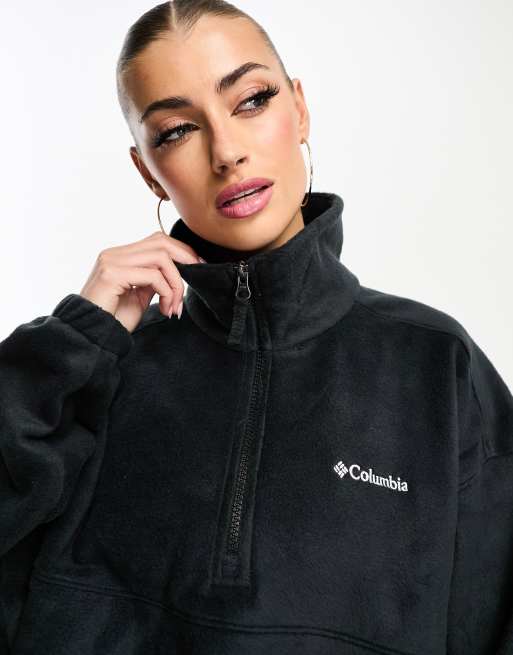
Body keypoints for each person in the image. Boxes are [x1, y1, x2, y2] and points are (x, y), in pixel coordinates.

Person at [1, 1, 512, 653]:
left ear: (299, 108)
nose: (226, 152)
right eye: (177, 131)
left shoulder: (436, 365)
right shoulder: (92, 370)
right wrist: (73, 341)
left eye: (250, 100)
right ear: (147, 171)